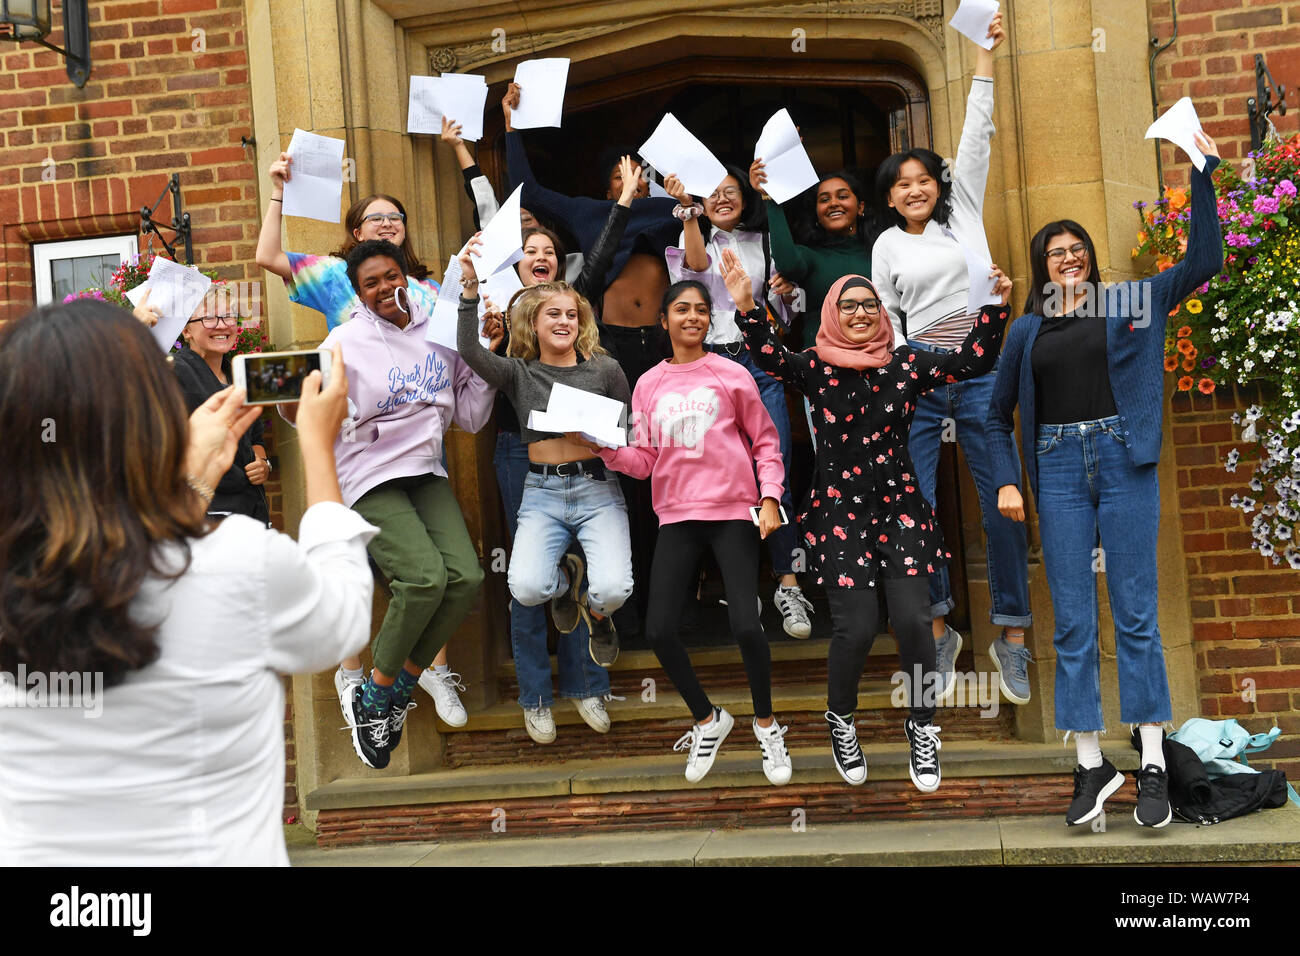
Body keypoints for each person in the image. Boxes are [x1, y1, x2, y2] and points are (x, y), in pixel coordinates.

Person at [0, 299, 371, 865]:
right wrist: (319, 446)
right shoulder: (238, 560)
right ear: (153, 414)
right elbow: (341, 619)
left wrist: (192, 487)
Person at [987, 131, 1224, 830]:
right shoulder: (1027, 333)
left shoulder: (1132, 305)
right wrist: (1007, 480)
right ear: (1042, 266)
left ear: (1090, 258)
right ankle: (1091, 764)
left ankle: (1151, 760)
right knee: (1071, 620)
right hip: (1056, 468)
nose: (1070, 258)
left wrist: (1202, 171)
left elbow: (1203, 259)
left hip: (1123, 460)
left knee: (1137, 612)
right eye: (1056, 252)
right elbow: (994, 417)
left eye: (1077, 248)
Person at [732, 248, 1011, 793]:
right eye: (849, 305)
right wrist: (747, 305)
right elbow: (768, 357)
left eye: (869, 305)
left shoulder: (905, 364)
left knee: (913, 621)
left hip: (901, 510)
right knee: (856, 627)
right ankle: (841, 720)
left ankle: (923, 726)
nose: (860, 313)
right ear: (834, 313)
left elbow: (971, 362)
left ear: (882, 312)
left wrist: (994, 306)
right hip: (839, 511)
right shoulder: (814, 365)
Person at [254, 155, 468, 727]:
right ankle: (358, 680)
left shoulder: (430, 293)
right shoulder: (333, 277)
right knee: (375, 564)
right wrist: (278, 192)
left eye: (395, 216)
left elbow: (463, 347)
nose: (387, 222)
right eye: (374, 217)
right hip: (357, 436)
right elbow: (268, 256)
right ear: (355, 236)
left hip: (420, 437)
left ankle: (428, 674)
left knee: (449, 569)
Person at [870, 12, 1033, 706]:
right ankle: (938, 627)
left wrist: (985, 57)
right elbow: (884, 321)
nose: (914, 190)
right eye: (900, 185)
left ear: (936, 184)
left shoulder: (963, 208)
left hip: (985, 370)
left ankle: (1012, 636)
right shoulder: (886, 247)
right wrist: (915, 370)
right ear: (889, 197)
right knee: (917, 509)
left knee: (1005, 505)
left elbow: (977, 133)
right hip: (923, 380)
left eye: (921, 180)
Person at [286, 240, 495, 770]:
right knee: (424, 579)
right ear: (357, 294)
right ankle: (374, 693)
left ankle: (400, 685)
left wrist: (487, 358)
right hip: (368, 474)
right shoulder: (342, 342)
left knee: (466, 577)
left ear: (406, 275)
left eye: (391, 276)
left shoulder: (442, 332)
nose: (384, 288)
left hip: (424, 470)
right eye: (371, 283)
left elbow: (468, 418)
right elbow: (307, 411)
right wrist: (301, 403)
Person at [585, 280, 793, 785]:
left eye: (702, 310)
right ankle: (708, 718)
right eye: (682, 309)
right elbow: (644, 460)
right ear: (665, 320)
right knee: (658, 629)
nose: (693, 317)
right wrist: (604, 447)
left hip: (732, 512)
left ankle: (767, 725)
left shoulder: (732, 374)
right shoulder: (648, 384)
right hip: (676, 514)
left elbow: (766, 442)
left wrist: (769, 497)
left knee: (746, 623)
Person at [474, 158, 641, 742]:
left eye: (547, 249)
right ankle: (535, 695)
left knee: (589, 578)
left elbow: (627, 425)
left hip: (591, 469)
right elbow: (467, 357)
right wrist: (476, 306)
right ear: (510, 262)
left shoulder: (577, 317)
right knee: (528, 586)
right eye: (528, 250)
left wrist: (623, 206)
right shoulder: (497, 311)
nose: (539, 256)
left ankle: (587, 685)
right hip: (522, 457)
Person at [661, 166, 813, 640]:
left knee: (775, 475)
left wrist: (788, 292)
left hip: (761, 362)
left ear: (745, 199)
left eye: (732, 192)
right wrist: (688, 211)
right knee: (721, 482)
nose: (723, 199)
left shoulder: (763, 243)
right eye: (714, 195)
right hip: (712, 367)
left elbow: (786, 311)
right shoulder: (695, 242)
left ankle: (788, 585)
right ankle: (739, 591)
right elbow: (697, 271)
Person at [134, 284, 270, 525]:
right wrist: (135, 328)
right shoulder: (174, 371)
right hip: (206, 515)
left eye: (228, 316)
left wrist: (262, 464)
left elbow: (256, 439)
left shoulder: (239, 374)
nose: (221, 325)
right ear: (186, 330)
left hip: (252, 512)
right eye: (208, 318)